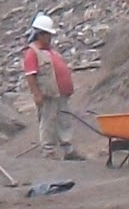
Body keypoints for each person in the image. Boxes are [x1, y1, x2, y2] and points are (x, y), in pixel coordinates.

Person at [22, 13, 83, 160]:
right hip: (48, 94)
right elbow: (30, 75)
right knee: (48, 121)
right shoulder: (32, 53)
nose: (50, 38)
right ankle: (48, 150)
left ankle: (68, 149)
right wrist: (36, 94)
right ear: (39, 35)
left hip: (61, 93)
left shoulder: (51, 51)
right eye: (48, 35)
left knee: (64, 120)